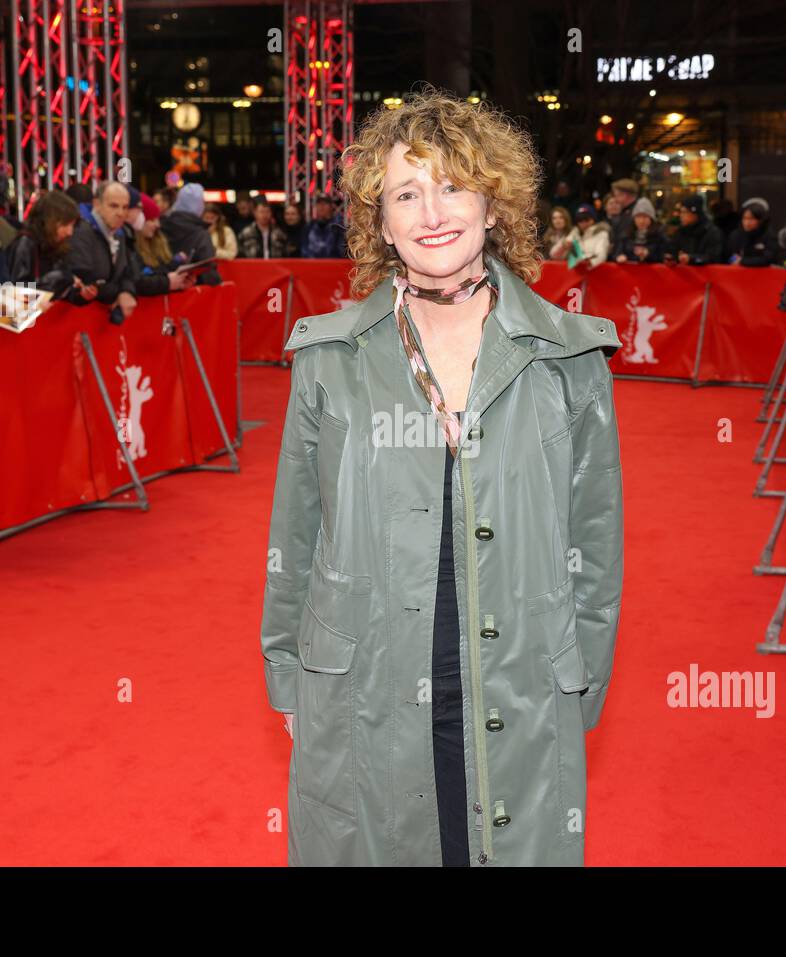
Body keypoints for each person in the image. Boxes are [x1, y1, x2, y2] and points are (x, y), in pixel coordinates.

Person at [262, 88, 624, 867]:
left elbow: (594, 537)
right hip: (366, 688)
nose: (432, 210)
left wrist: (580, 678)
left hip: (520, 686)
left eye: (453, 184)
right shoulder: (329, 359)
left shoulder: (569, 358)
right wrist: (288, 672)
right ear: (380, 221)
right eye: (406, 192)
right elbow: (296, 531)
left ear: (494, 204)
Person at [63, 180, 139, 320]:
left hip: (98, 323)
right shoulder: (79, 231)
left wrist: (127, 291)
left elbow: (127, 273)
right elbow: (87, 279)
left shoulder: (120, 232)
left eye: (125, 207)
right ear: (97, 204)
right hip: (75, 320)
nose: (120, 213)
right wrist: (118, 293)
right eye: (114, 206)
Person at [5, 189, 80, 297]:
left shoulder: (56, 246)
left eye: (72, 225)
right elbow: (18, 290)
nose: (70, 232)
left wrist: (79, 295)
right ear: (50, 221)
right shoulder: (25, 243)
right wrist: (60, 277)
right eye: (65, 224)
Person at [128, 192, 192, 297]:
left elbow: (158, 271)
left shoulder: (158, 241)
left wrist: (178, 272)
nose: (157, 225)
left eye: (157, 219)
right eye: (152, 220)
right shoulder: (131, 246)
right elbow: (139, 281)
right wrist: (167, 282)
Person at [159, 184, 221, 284]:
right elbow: (209, 274)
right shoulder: (201, 234)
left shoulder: (161, 226)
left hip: (162, 289)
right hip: (190, 292)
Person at [725, 196, 781, 266]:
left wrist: (743, 261)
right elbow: (729, 255)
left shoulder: (769, 236)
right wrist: (734, 259)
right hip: (739, 274)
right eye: (744, 218)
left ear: (760, 220)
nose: (747, 223)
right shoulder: (735, 235)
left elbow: (768, 259)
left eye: (751, 219)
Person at [669, 194, 724, 265]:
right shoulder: (680, 232)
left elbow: (713, 257)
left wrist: (692, 259)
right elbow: (672, 251)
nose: (681, 215)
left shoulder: (712, 232)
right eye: (681, 212)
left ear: (695, 213)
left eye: (684, 212)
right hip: (683, 274)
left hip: (706, 275)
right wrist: (672, 259)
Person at [613, 197, 670, 263]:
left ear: (651, 219)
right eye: (638, 216)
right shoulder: (626, 235)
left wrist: (648, 254)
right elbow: (616, 252)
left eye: (645, 217)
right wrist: (619, 256)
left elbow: (664, 255)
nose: (641, 221)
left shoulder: (659, 236)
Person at [300, 194, 347, 258]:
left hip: (332, 265)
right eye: (319, 204)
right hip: (312, 265)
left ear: (331, 206)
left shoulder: (338, 226)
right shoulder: (309, 226)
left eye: (325, 203)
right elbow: (304, 249)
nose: (321, 206)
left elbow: (341, 250)